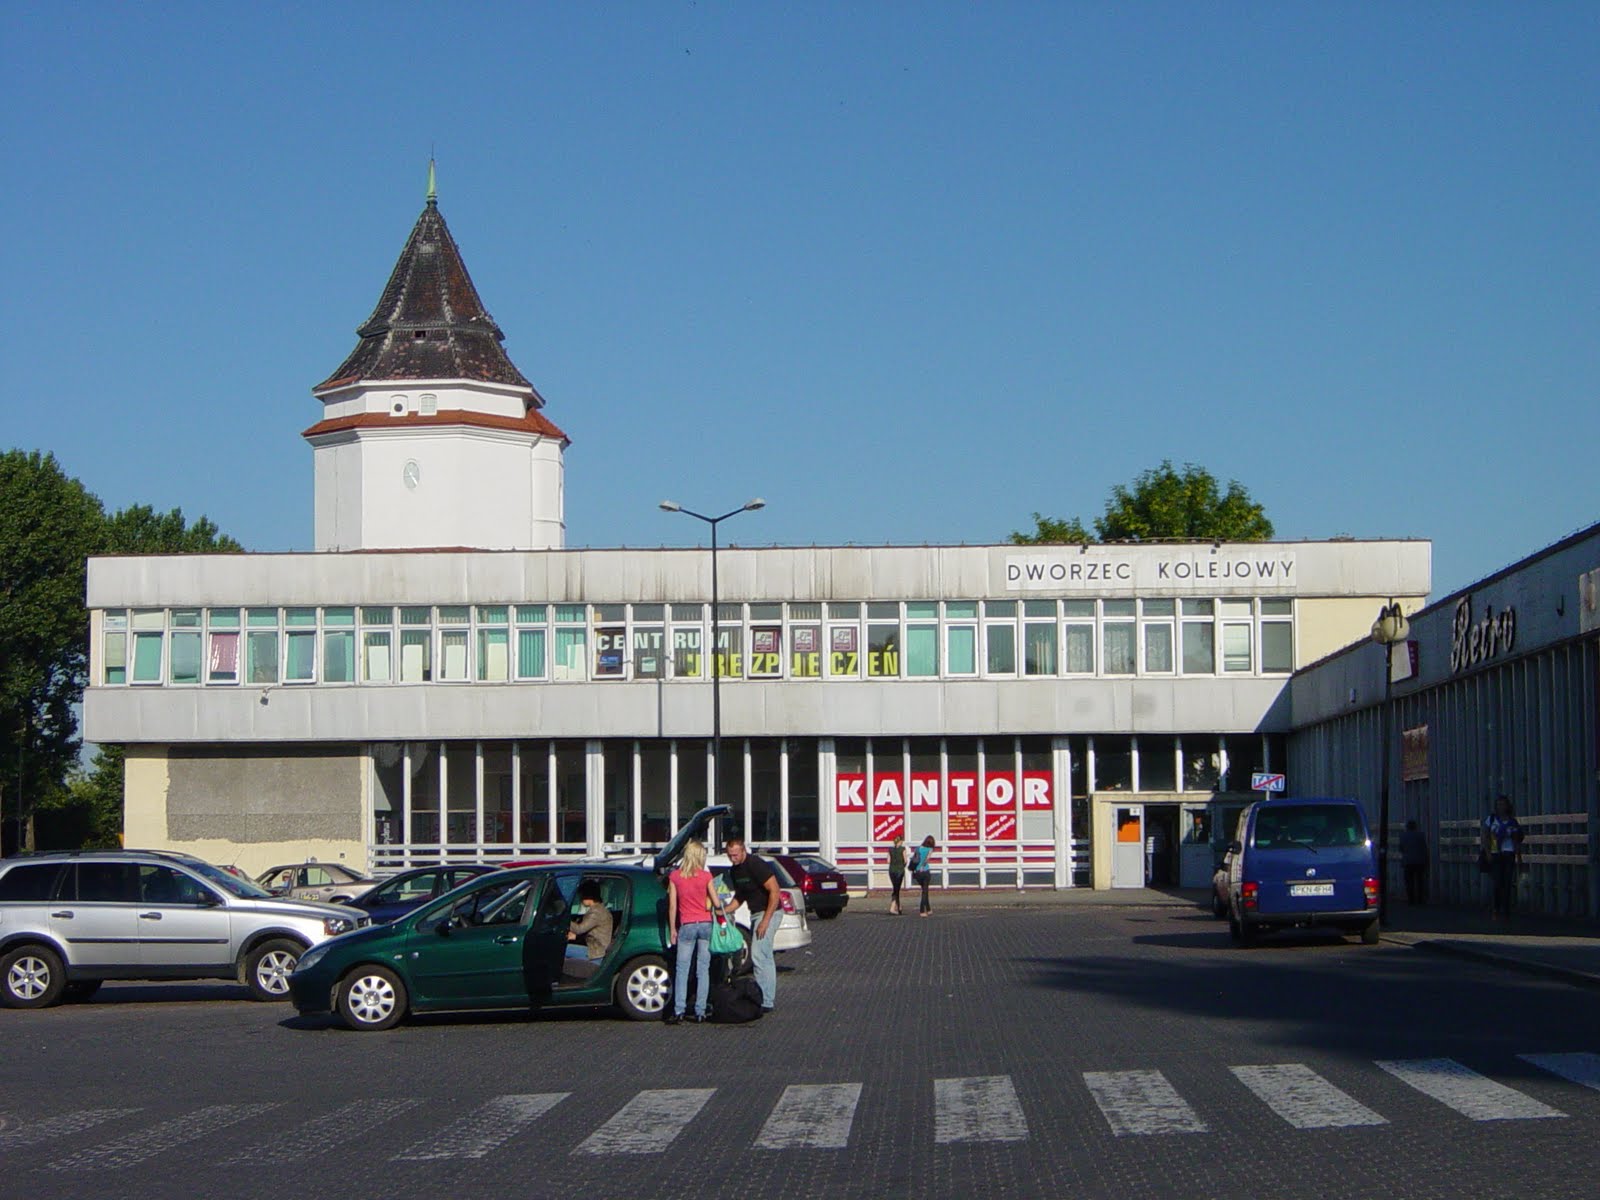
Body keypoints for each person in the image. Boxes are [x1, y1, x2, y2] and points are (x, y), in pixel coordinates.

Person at [666, 838, 723, 1025]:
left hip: (687, 925)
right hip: (705, 923)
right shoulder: (706, 877)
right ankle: (700, 1011)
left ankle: (679, 1010)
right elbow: (716, 903)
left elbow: (672, 906)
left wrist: (673, 928)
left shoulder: (675, 877)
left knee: (682, 969)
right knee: (703, 969)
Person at [725, 836, 782, 1013]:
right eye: (730, 855)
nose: (733, 859)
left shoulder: (755, 864)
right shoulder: (735, 871)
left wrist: (765, 921)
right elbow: (740, 897)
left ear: (743, 851)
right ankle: (763, 997)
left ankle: (766, 1000)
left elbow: (775, 890)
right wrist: (724, 910)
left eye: (735, 855)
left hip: (770, 911)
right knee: (762, 954)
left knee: (759, 954)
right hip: (755, 913)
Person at [1482, 795, 1523, 920]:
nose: (1501, 807)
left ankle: (1506, 910)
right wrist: (1488, 852)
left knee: (1508, 882)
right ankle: (1496, 908)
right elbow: (1485, 836)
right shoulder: (1491, 819)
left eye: (1503, 804)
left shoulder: (1512, 821)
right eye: (1498, 804)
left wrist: (1518, 856)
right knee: (1498, 882)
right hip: (1496, 854)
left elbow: (1517, 839)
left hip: (1508, 853)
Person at [566, 879, 612, 961]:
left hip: (595, 951)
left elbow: (579, 929)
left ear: (588, 896)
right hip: (595, 947)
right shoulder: (600, 909)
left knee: (561, 950)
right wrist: (575, 937)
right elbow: (592, 932)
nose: (580, 899)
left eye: (581, 896)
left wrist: (564, 919)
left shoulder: (596, 912)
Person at [1399, 819, 1429, 905]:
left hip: (1408, 861)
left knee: (1409, 881)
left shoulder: (1403, 836)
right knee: (1420, 881)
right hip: (1419, 861)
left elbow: (1401, 848)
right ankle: (1420, 899)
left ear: (1407, 827)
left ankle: (1411, 899)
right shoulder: (1420, 835)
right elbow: (1424, 848)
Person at [911, 835, 937, 916]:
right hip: (925, 871)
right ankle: (922, 910)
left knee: (924, 890)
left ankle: (928, 909)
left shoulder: (918, 848)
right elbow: (926, 860)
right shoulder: (930, 849)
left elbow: (914, 859)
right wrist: (922, 866)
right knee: (925, 892)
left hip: (917, 872)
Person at [887, 835, 907, 916]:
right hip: (899, 870)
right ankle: (895, 907)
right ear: (900, 841)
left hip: (891, 870)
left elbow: (888, 860)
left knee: (895, 888)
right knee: (897, 889)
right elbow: (905, 860)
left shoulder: (890, 849)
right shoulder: (903, 849)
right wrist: (902, 865)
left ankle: (897, 906)